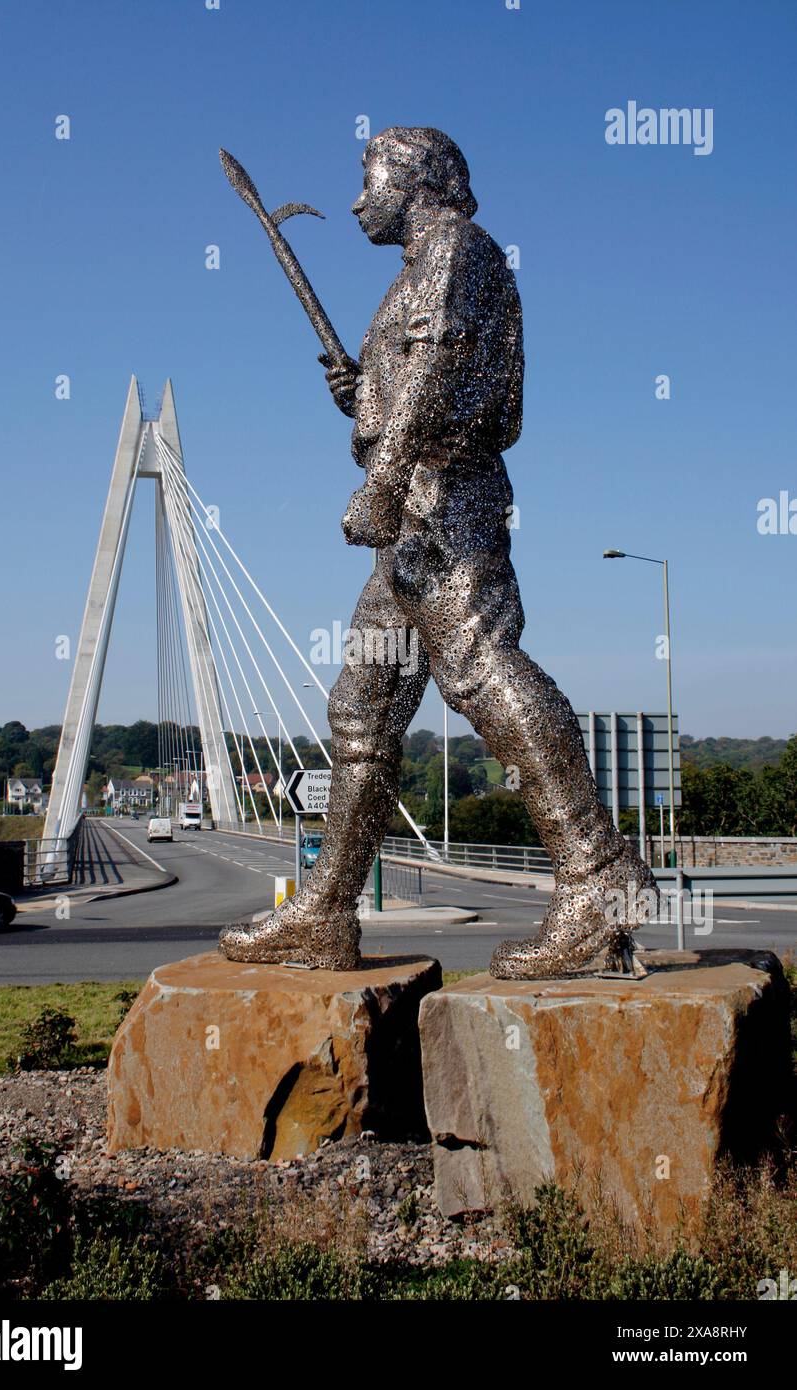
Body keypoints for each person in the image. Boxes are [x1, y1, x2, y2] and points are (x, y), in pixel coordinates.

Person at [222, 126, 656, 977]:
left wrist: (383, 474)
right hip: (414, 521)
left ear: (419, 181)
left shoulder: (456, 250)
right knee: (364, 713)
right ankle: (324, 912)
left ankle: (599, 880)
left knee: (482, 671)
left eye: (368, 180)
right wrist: (364, 399)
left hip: (442, 503)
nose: (355, 201)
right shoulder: (419, 274)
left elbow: (441, 368)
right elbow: (415, 377)